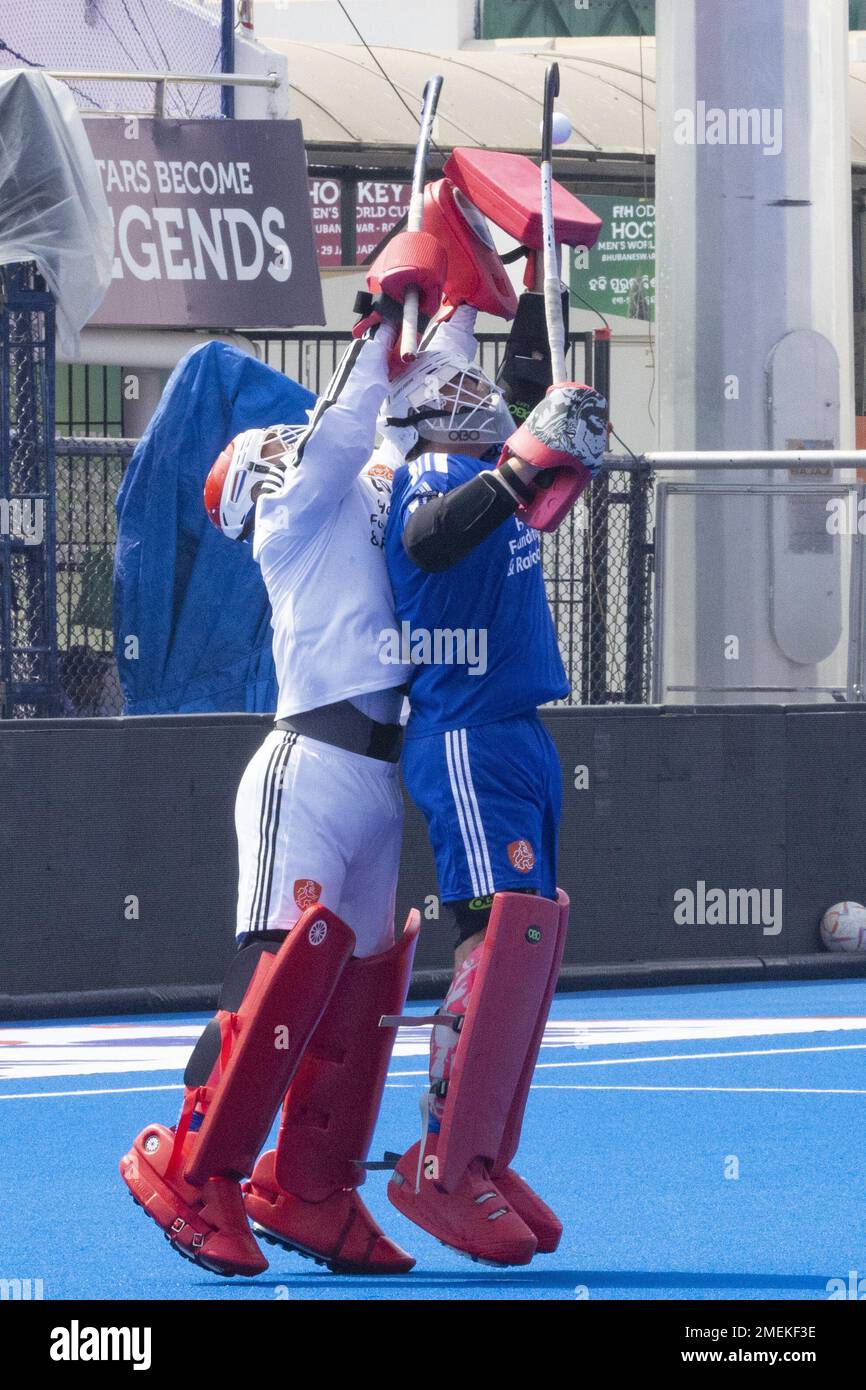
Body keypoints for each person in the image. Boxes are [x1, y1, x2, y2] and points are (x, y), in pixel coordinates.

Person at [119, 236, 445, 1277]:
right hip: (306, 765)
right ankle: (190, 1161)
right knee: (274, 980)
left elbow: (408, 407)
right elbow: (355, 418)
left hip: (370, 773)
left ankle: (309, 1186)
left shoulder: (354, 488)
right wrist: (377, 308)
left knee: (355, 997)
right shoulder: (295, 510)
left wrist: (442, 304)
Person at [382, 305, 607, 1265]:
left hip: (511, 727)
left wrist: (532, 291)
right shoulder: (429, 474)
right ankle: (439, 1159)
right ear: (424, 404)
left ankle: (480, 1150)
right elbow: (431, 541)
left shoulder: (477, 463)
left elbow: (521, 387)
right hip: (466, 733)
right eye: (459, 385)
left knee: (526, 939)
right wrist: (521, 463)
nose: (483, 397)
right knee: (491, 937)